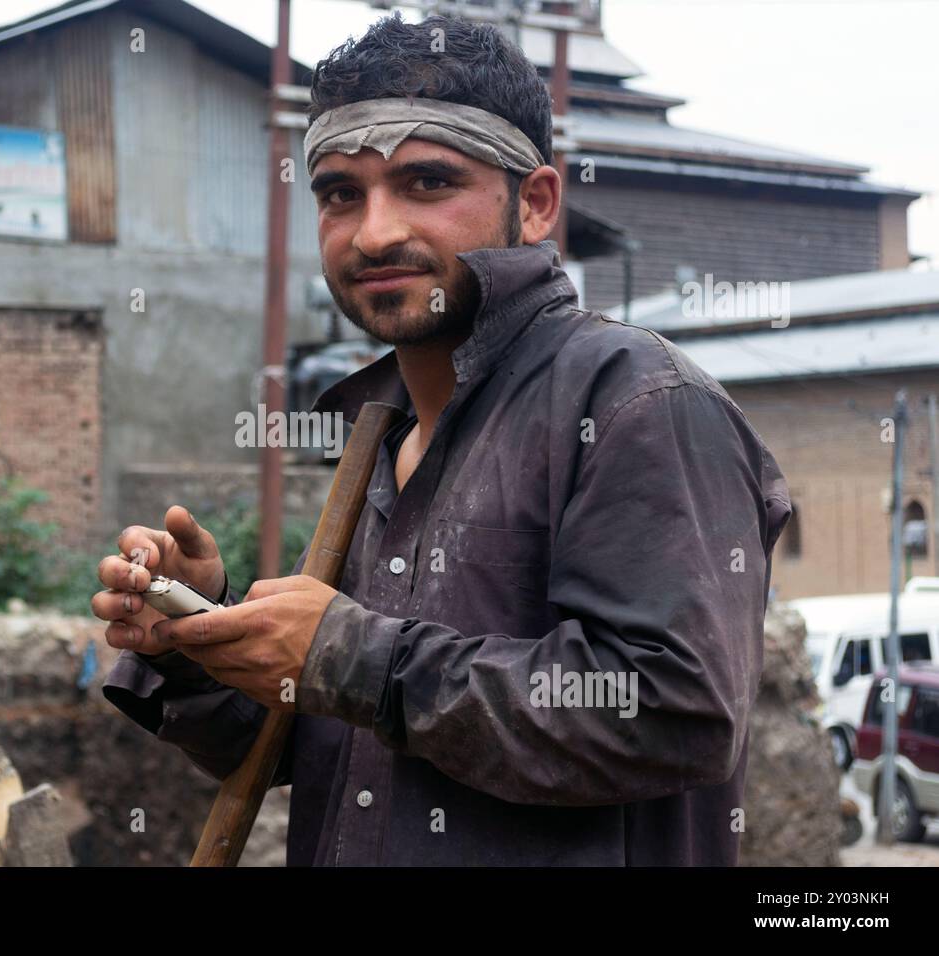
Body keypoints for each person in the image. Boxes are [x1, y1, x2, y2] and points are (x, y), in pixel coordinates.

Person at [92, 13, 791, 866]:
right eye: (340, 193)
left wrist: (355, 657)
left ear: (534, 204)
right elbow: (338, 750)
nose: (375, 231)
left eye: (426, 182)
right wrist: (201, 636)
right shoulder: (379, 437)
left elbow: (676, 712)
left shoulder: (638, 400)